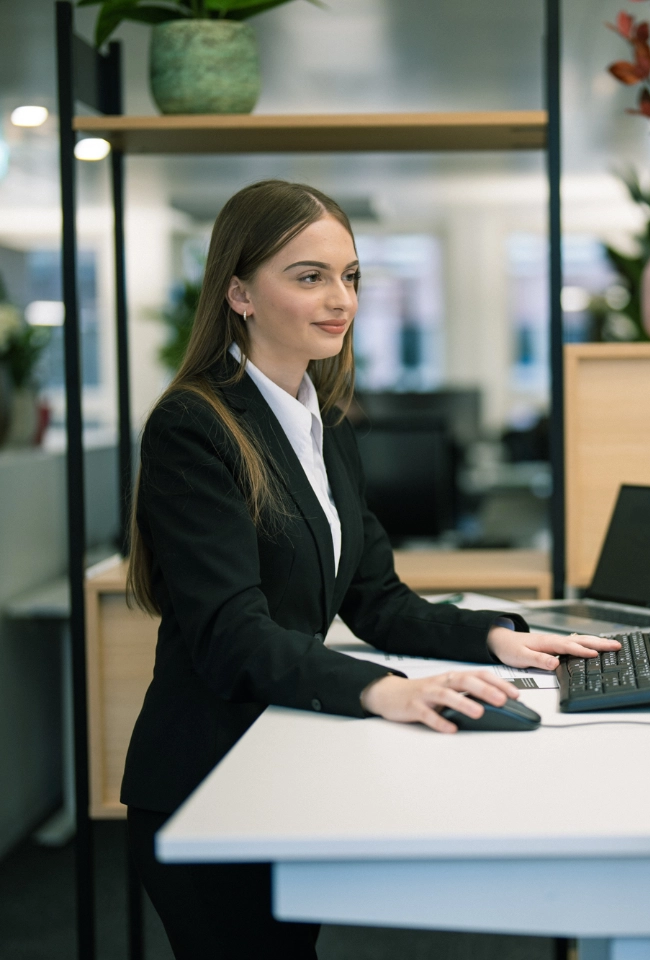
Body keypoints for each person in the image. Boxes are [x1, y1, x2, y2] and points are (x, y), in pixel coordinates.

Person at [121, 179, 619, 960]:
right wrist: (387, 690)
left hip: (284, 754)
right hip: (206, 779)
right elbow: (232, 635)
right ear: (240, 293)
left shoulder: (328, 423)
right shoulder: (194, 425)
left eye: (349, 276)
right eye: (309, 275)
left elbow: (376, 599)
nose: (340, 299)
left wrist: (500, 639)